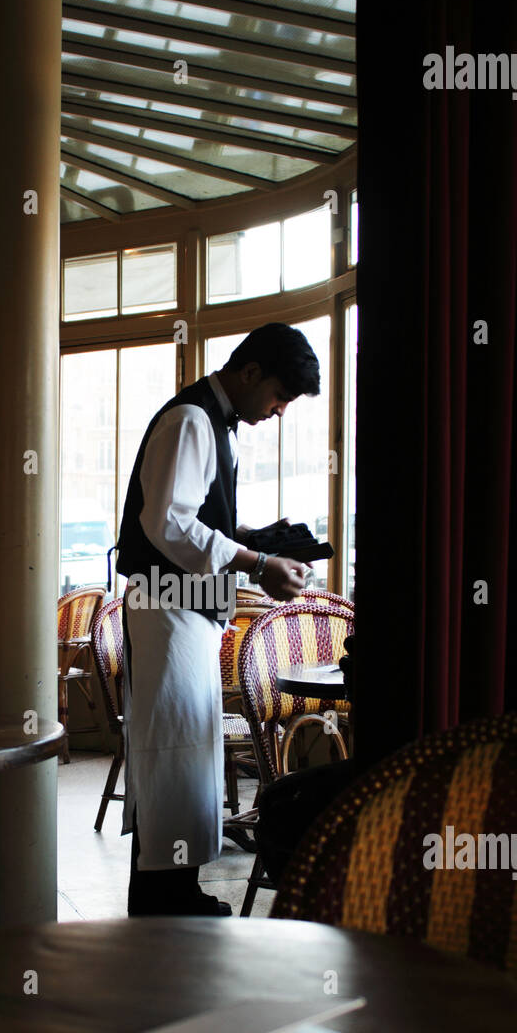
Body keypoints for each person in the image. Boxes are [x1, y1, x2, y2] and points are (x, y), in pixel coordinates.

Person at [115, 322, 322, 916]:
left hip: (181, 606)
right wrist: (255, 562)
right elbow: (169, 525)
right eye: (280, 397)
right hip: (165, 605)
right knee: (172, 752)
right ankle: (161, 901)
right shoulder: (191, 420)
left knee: (185, 752)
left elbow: (190, 521)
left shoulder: (208, 420)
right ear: (251, 372)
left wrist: (255, 538)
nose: (279, 411)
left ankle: (175, 890)